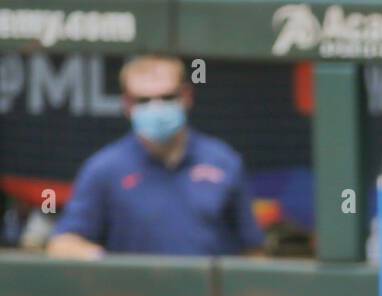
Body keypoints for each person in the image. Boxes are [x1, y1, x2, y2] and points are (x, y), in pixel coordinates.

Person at [47, 55, 263, 259]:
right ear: (128, 105)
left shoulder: (224, 162)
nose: (157, 107)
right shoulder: (104, 169)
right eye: (144, 100)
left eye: (167, 97)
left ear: (186, 96)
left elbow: (253, 250)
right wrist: (111, 267)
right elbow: (63, 244)